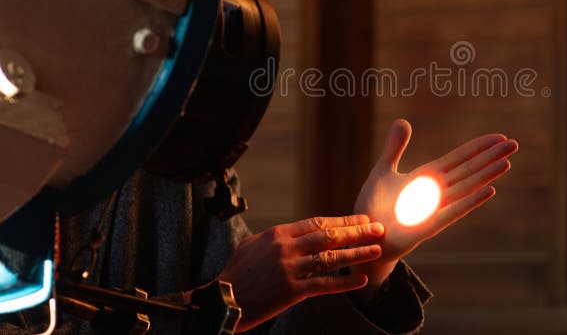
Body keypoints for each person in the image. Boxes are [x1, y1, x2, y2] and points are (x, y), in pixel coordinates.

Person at [0, 119, 517, 334]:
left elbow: (261, 320)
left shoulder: (174, 152)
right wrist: (215, 308)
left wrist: (366, 259)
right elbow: (230, 302)